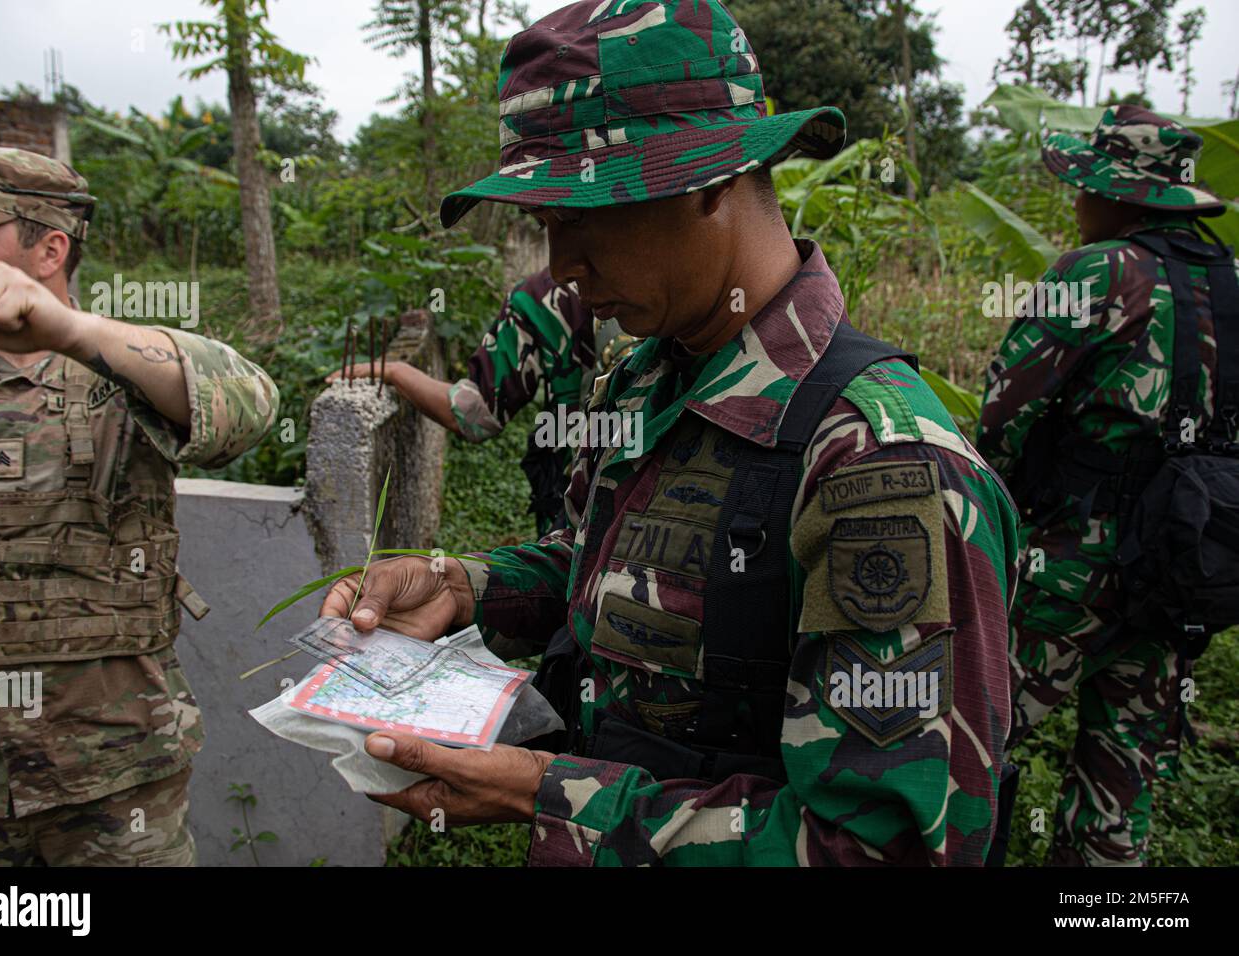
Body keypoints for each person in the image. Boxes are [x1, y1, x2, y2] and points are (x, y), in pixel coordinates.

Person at [320, 0, 1019, 866]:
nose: (564, 268)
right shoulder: (649, 375)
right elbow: (597, 558)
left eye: (583, 214)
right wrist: (464, 586)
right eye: (546, 225)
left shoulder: (881, 465)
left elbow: (881, 848)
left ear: (712, 181)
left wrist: (541, 794)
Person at [0, 146, 279, 865]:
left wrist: (69, 331)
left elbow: (249, 405)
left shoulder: (114, 361)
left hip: (114, 775)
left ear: (49, 248)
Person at [977, 104, 1237, 866]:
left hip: (1073, 560)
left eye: (1086, 187)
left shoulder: (1102, 272)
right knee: (1120, 780)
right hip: (1177, 564)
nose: (1076, 200)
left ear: (1120, 196)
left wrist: (985, 531)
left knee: (967, 736)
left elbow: (1003, 415)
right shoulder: (1228, 280)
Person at [329, 269, 634, 535]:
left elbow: (474, 413)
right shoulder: (671, 279)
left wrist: (397, 372)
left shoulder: (540, 296)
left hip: (573, 521)